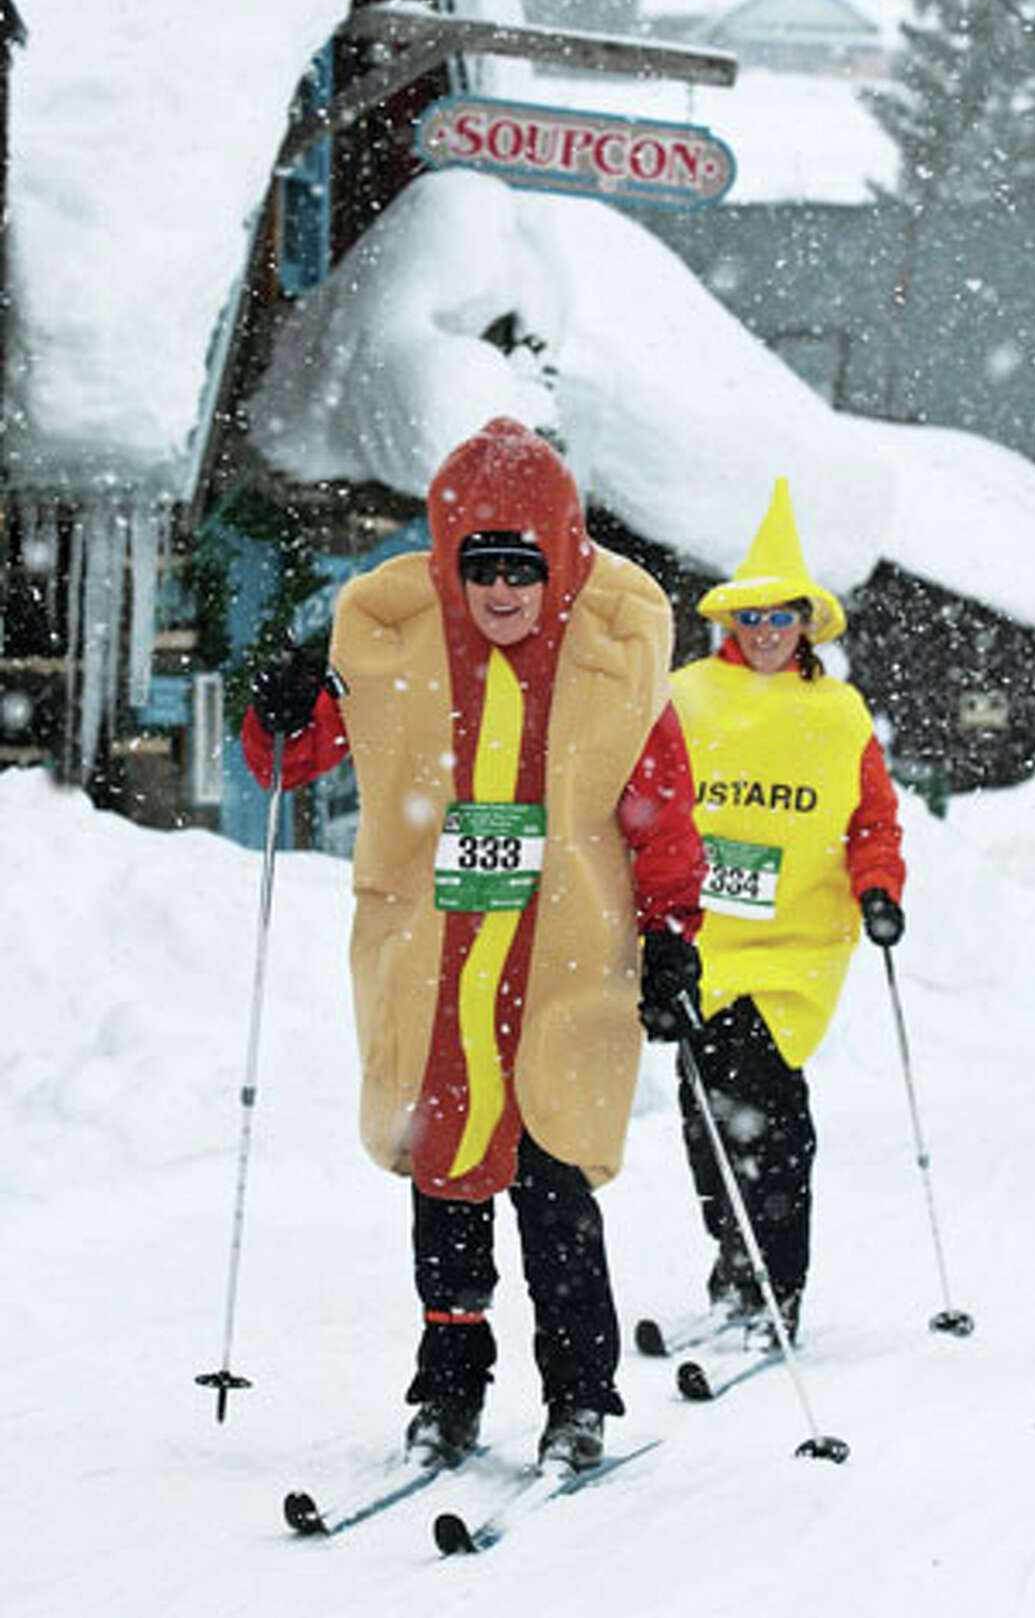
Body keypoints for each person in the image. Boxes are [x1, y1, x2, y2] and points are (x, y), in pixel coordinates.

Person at [241, 418, 704, 1473]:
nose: (503, 593)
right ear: (451, 569)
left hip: (564, 971)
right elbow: (292, 759)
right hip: (436, 976)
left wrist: (673, 935)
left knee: (554, 1197)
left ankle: (579, 1398)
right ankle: (447, 1393)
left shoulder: (616, 665)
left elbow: (661, 812)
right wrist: (279, 709)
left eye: (524, 571)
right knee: (445, 1195)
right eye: (481, 570)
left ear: (563, 566)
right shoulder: (396, 653)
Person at [665, 478, 905, 1345]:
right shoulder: (685, 697)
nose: (766, 633)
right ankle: (735, 1269)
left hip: (796, 945)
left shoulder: (838, 713)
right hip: (699, 944)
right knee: (703, 1118)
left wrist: (880, 889)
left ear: (807, 622)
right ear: (732, 623)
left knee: (772, 1118)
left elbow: (872, 818)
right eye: (752, 618)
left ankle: (778, 1285)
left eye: (782, 617)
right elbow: (647, 807)